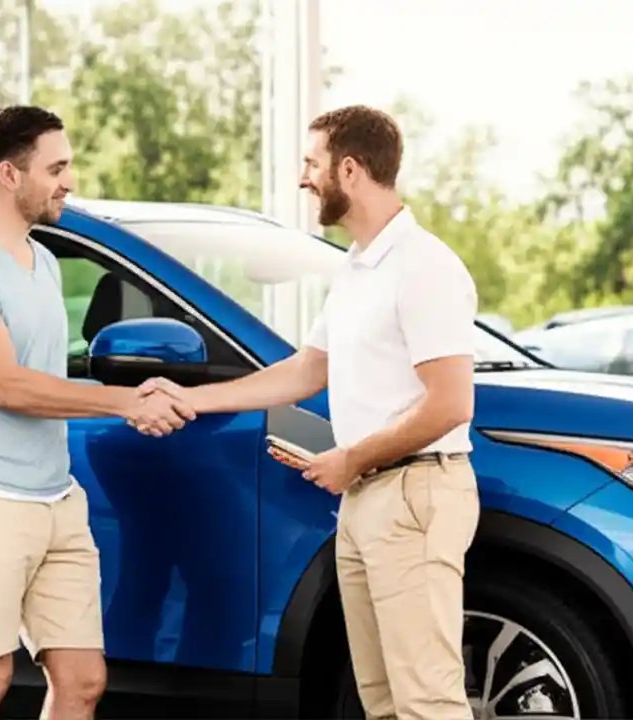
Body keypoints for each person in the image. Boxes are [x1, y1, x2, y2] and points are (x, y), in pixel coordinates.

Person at [142, 105, 480, 720]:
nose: (303, 178)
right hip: (366, 497)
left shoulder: (423, 266)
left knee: (427, 701)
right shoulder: (357, 266)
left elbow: (451, 403)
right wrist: (193, 398)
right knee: (382, 702)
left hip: (413, 496)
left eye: (311, 163)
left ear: (349, 170)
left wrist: (352, 457)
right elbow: (305, 371)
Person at [0, 105, 194, 720]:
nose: (68, 181)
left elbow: (50, 377)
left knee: (83, 680)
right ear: (9, 174)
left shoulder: (41, 260)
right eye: (56, 168)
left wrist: (139, 391)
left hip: (55, 497)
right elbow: (6, 385)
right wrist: (125, 402)